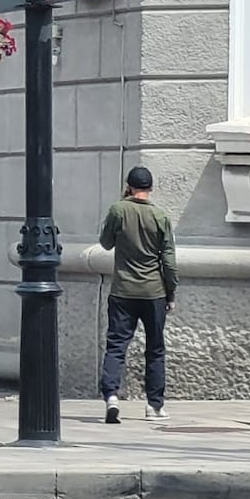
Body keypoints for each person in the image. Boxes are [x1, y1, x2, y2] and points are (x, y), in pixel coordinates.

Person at [99, 166, 178, 423]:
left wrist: (122, 207)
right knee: (155, 348)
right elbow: (169, 260)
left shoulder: (118, 210)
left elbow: (105, 243)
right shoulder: (160, 216)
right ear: (150, 188)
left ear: (129, 186)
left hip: (122, 290)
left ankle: (111, 395)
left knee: (117, 345)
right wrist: (171, 292)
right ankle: (154, 405)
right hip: (154, 292)